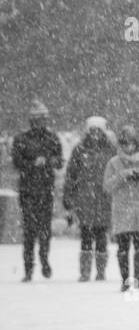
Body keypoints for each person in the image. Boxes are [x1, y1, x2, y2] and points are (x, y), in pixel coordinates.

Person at [12, 100, 64, 282]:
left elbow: (60, 161)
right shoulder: (21, 139)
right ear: (31, 120)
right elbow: (16, 163)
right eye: (37, 119)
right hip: (28, 190)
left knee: (44, 230)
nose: (40, 122)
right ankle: (28, 268)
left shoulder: (52, 138)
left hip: (45, 189)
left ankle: (44, 259)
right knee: (29, 231)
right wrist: (32, 164)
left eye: (43, 119)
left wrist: (49, 161)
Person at [103, 126, 139, 292]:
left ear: (137, 144)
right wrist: (122, 176)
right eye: (125, 144)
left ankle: (137, 276)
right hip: (121, 209)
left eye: (131, 143)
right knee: (123, 246)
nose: (128, 147)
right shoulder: (113, 163)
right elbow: (107, 186)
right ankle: (126, 278)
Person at [63, 116, 116, 281]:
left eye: (98, 131)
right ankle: (85, 272)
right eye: (92, 131)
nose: (95, 134)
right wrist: (68, 197)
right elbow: (71, 175)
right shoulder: (79, 150)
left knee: (101, 236)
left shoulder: (111, 151)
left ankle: (101, 271)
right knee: (86, 235)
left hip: (104, 199)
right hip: (84, 200)